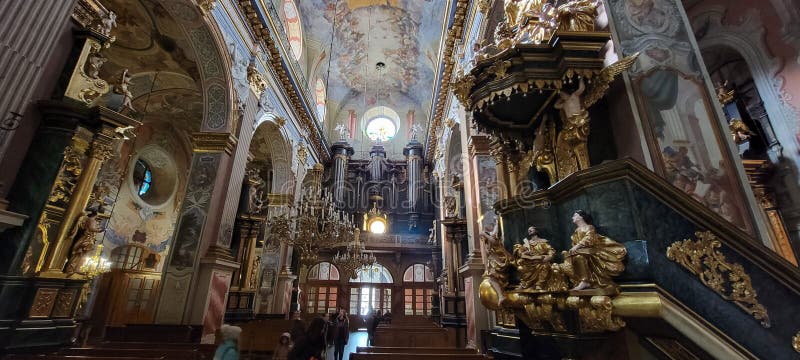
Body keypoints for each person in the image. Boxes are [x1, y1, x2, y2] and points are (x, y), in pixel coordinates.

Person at [563, 210, 627, 291]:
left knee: (579, 257)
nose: (572, 217)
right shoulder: (576, 231)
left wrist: (577, 246)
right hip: (582, 252)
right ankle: (581, 280)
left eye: (575, 215)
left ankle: (585, 281)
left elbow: (589, 238)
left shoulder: (589, 227)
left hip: (592, 252)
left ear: (581, 217)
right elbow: (574, 244)